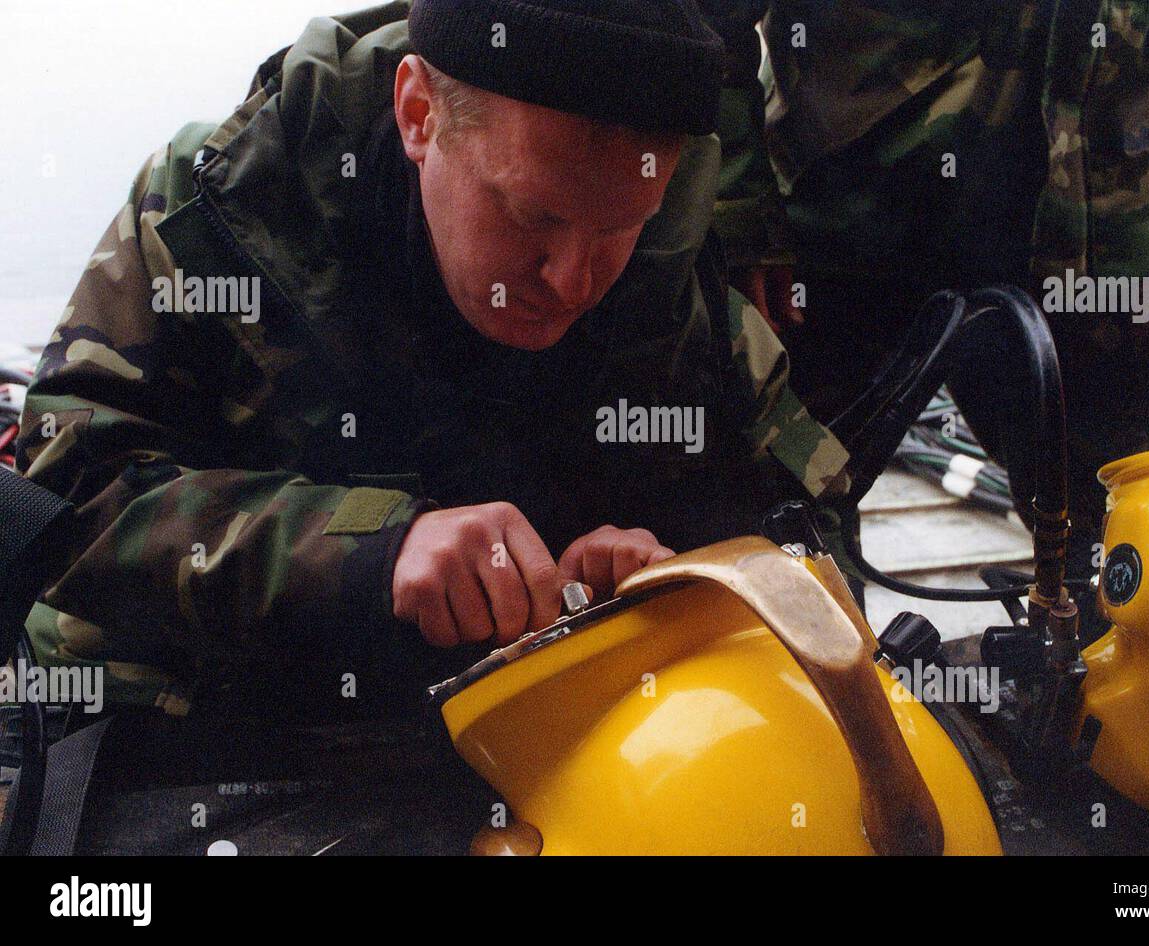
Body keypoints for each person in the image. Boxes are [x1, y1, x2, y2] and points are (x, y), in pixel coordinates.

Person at [15, 0, 850, 718]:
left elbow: (813, 539)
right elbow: (61, 498)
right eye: (533, 218)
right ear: (419, 114)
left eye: (617, 228)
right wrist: (365, 551)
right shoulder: (227, 214)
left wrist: (680, 584)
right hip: (212, 717)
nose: (573, 280)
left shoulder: (676, 268)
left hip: (512, 726)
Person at [703, 0, 1149, 632]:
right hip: (848, 217)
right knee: (773, 529)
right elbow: (716, 21)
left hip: (1104, 225)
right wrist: (742, 214)